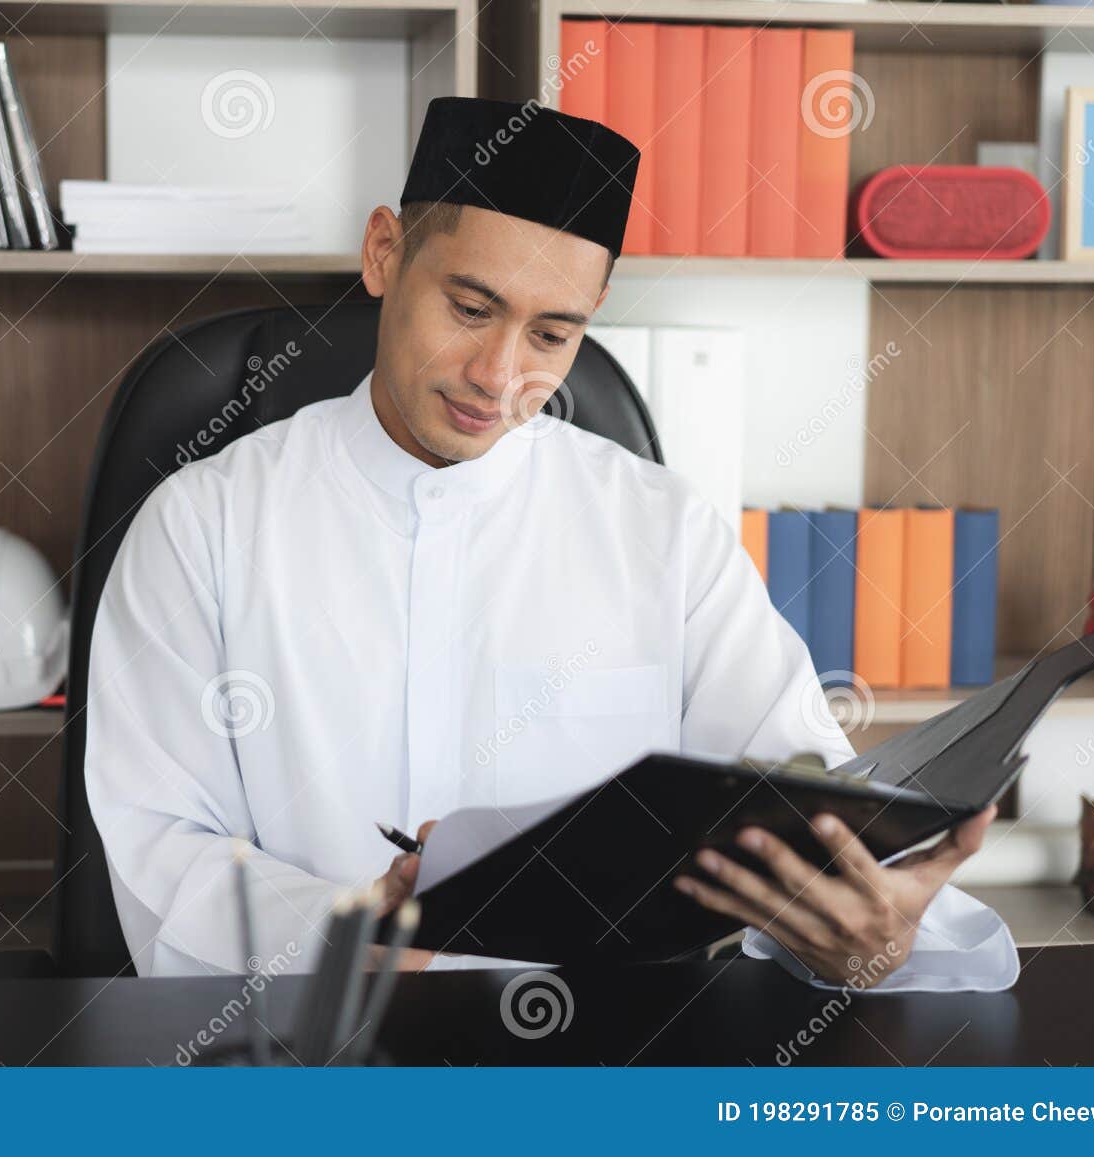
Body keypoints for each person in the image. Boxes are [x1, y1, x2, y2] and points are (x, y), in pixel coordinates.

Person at [85, 96, 1018, 993]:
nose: (499, 376)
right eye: (469, 307)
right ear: (384, 254)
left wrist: (875, 933)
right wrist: (353, 931)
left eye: (553, 333)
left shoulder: (665, 533)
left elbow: (802, 812)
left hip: (607, 1063)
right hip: (308, 1043)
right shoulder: (202, 525)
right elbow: (161, 844)